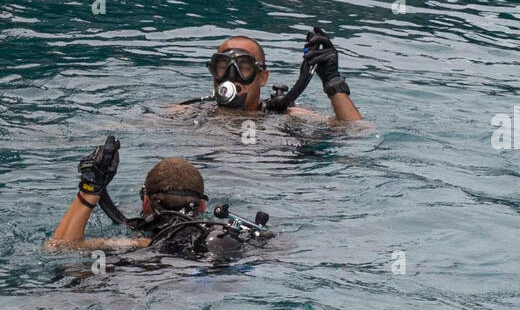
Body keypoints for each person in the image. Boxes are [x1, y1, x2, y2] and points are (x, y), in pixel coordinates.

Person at [45, 136, 272, 260]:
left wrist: (90, 189)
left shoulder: (141, 244)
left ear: (145, 201)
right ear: (203, 205)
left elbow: (58, 247)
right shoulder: (229, 233)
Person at [195, 26, 363, 122]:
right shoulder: (192, 115)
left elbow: (357, 132)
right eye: (222, 66)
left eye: (244, 67)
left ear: (262, 78)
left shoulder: (287, 118)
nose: (231, 76)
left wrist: (332, 81)